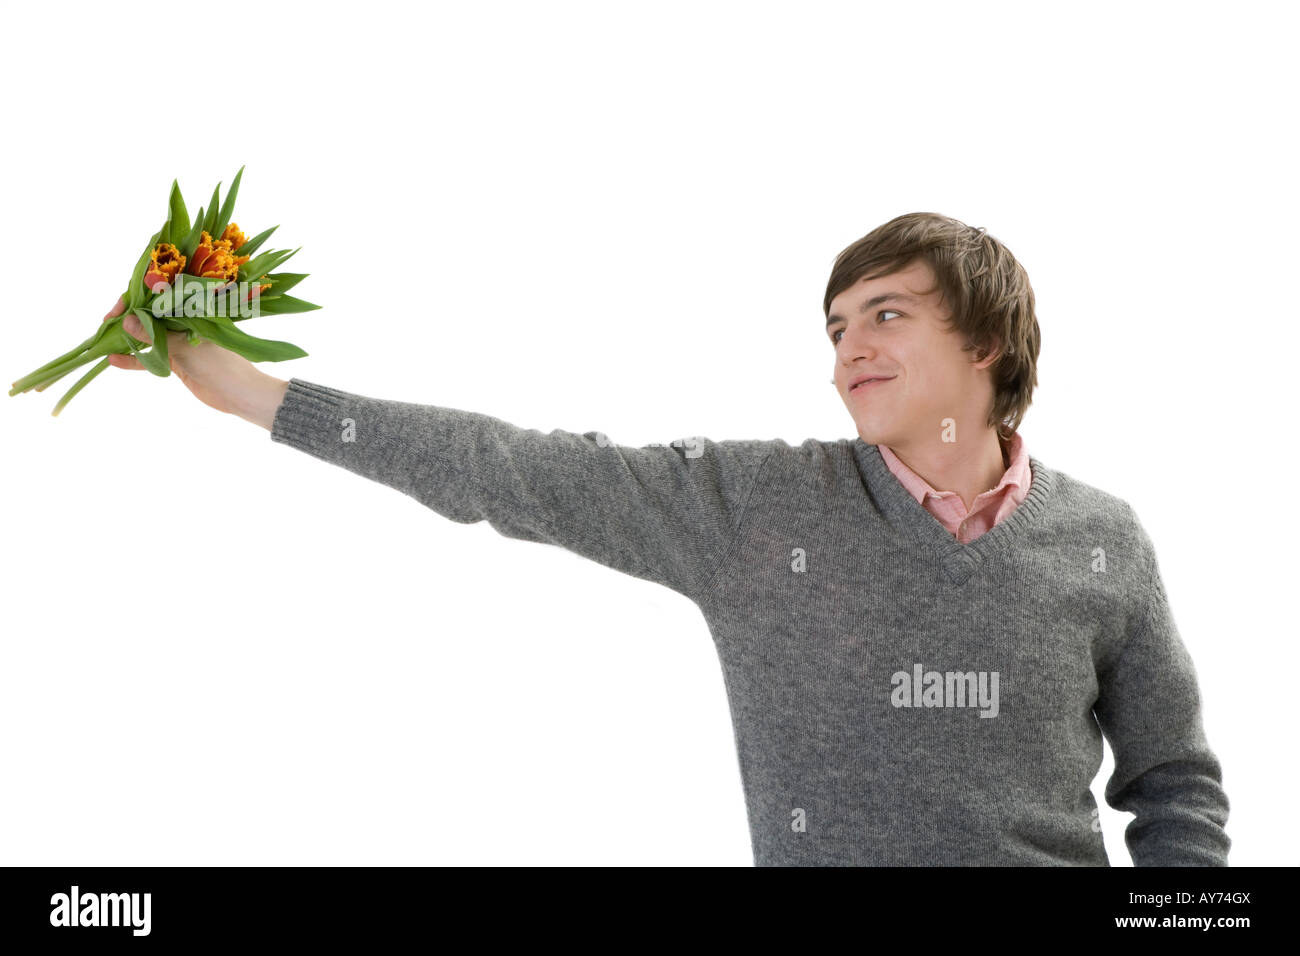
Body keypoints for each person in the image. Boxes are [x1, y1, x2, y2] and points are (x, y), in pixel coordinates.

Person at [104, 211, 1231, 866]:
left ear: (985, 341)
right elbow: (512, 468)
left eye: (886, 312)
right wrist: (254, 392)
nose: (848, 349)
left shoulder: (1102, 540)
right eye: (835, 328)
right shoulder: (753, 507)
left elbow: (1174, 781)